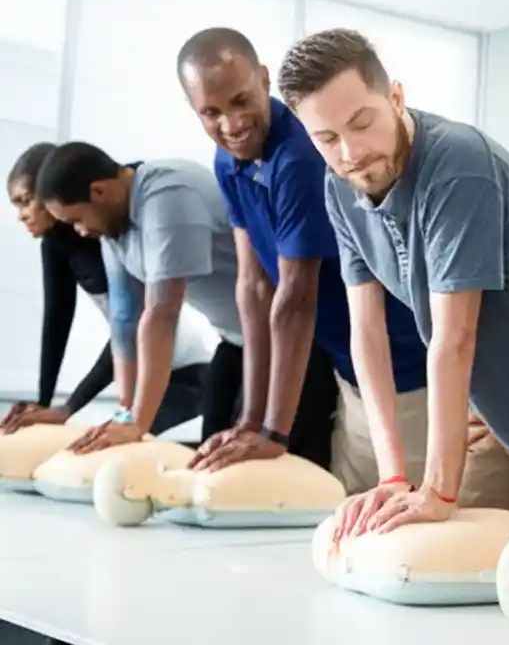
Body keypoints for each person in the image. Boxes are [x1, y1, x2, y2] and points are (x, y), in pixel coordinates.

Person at [276, 27, 509, 536]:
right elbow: (367, 334)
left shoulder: (456, 164)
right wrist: (394, 477)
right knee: (447, 553)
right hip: (505, 424)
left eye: (362, 123)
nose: (350, 152)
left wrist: (436, 488)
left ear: (396, 97)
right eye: (326, 138)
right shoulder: (340, 188)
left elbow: (454, 337)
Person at [174, 27, 436, 490]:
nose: (231, 124)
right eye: (210, 113)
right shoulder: (228, 160)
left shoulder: (298, 156)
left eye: (240, 100)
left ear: (263, 79)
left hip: (405, 364)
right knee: (348, 505)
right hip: (350, 368)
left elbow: (295, 297)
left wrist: (275, 431)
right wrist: (250, 420)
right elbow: (254, 287)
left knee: (403, 514)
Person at [33, 142, 337, 467]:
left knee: (266, 466)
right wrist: (124, 413)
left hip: (298, 345)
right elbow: (125, 321)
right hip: (237, 342)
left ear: (99, 192)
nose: (80, 232)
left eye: (76, 219)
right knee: (210, 460)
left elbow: (162, 313)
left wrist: (137, 424)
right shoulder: (114, 229)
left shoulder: (167, 194)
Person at [1, 143, 210, 436]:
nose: (21, 215)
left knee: (122, 447)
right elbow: (57, 321)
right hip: (137, 371)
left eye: (25, 201)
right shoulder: (58, 243)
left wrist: (69, 408)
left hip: (182, 370)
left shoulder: (107, 230)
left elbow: (128, 327)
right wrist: (43, 403)